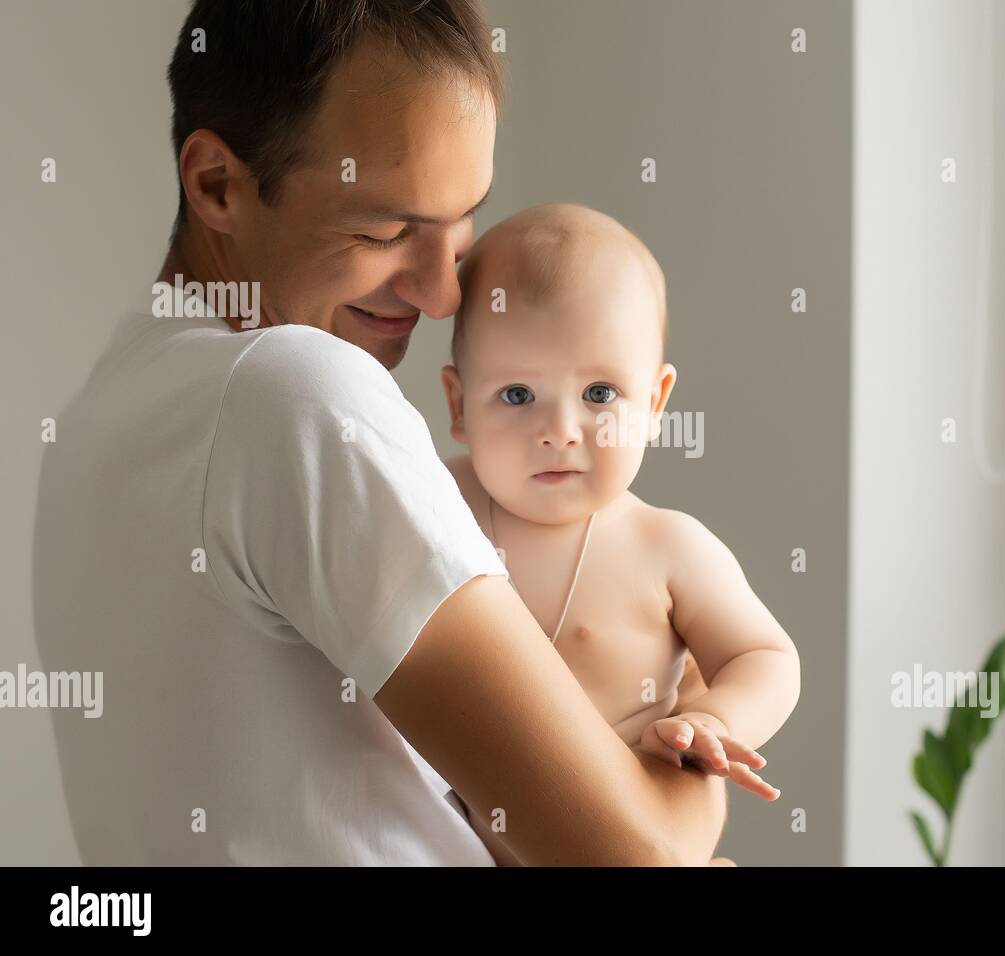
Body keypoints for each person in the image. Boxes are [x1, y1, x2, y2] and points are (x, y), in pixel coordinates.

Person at [32, 0, 727, 866]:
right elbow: (639, 857)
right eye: (386, 230)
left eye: (463, 220)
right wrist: (697, 717)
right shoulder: (296, 392)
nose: (444, 295)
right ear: (216, 184)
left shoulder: (98, 418)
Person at [438, 203, 801, 864]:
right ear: (459, 405)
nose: (561, 430)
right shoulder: (436, 500)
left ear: (655, 405)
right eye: (518, 395)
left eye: (600, 393)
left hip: (613, 828)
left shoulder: (665, 546)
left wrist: (712, 722)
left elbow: (767, 658)